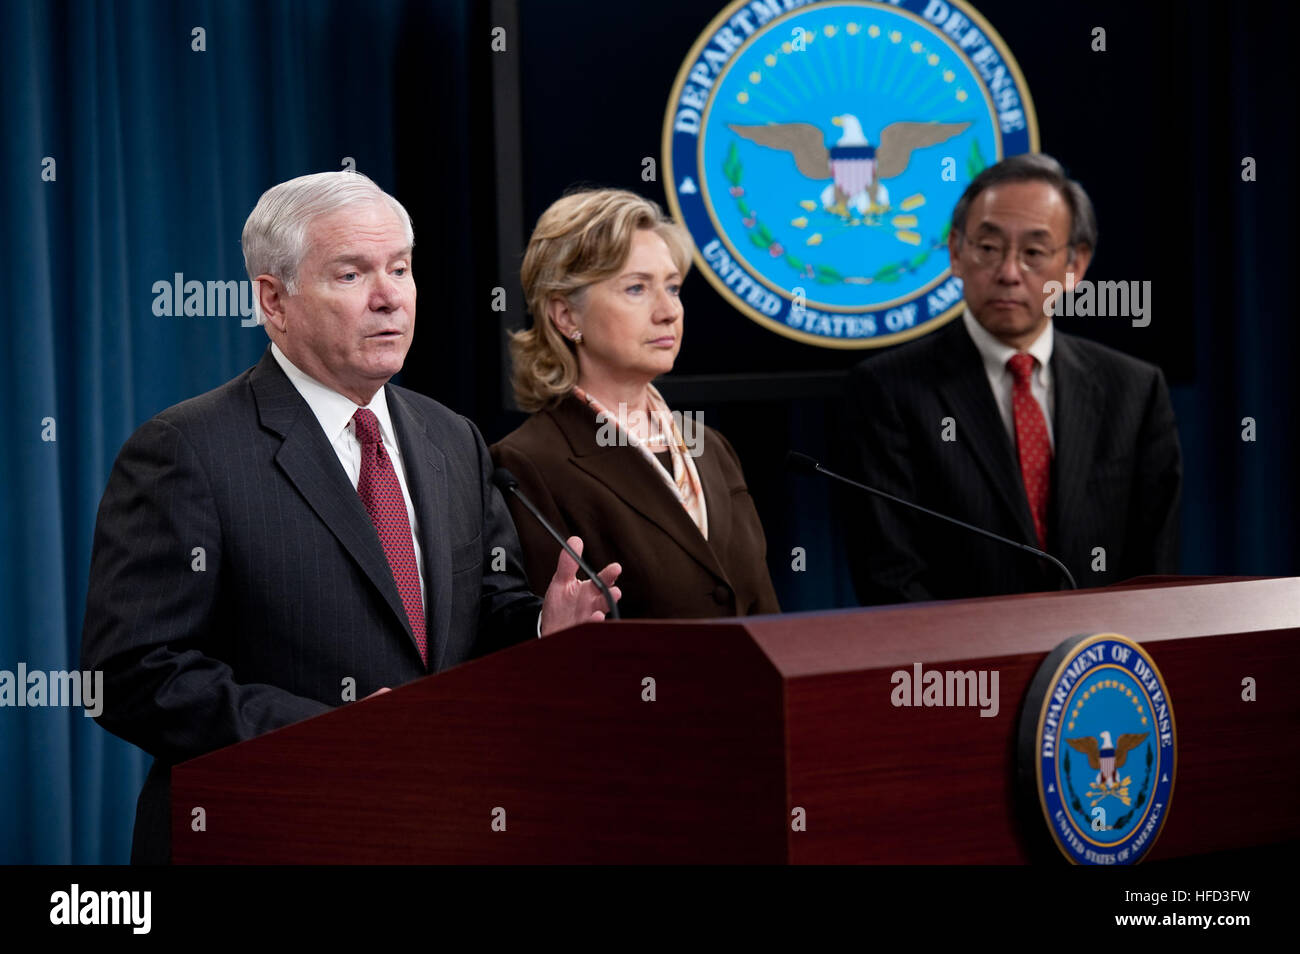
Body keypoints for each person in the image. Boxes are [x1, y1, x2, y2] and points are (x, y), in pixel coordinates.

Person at [80, 171, 621, 863]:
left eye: (400, 268)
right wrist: (331, 733)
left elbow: (482, 614)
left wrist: (544, 625)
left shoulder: (450, 437)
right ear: (274, 300)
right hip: (269, 839)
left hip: (438, 832)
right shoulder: (187, 450)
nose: (389, 295)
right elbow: (130, 674)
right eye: (351, 273)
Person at [840, 153, 1181, 604]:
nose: (1007, 273)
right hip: (959, 668)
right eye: (988, 248)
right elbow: (891, 578)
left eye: (1034, 253)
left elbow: (1156, 571)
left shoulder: (1134, 391)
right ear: (956, 252)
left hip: (1103, 666)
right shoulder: (888, 391)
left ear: (1074, 266)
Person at [491, 189, 779, 618]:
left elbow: (765, 613)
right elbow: (557, 645)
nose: (668, 311)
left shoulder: (711, 445)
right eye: (636, 288)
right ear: (566, 316)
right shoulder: (528, 463)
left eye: (673, 287)